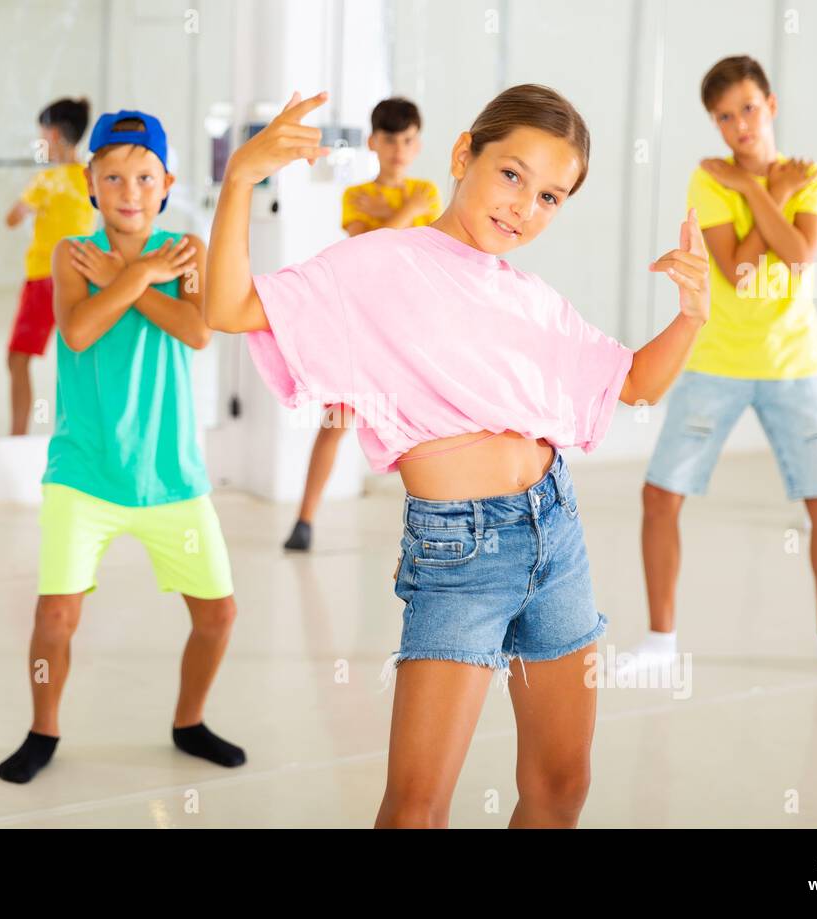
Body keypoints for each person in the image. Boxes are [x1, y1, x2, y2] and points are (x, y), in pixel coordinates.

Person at [204, 84, 710, 827]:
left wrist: (693, 315)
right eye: (511, 174)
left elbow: (635, 381)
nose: (523, 207)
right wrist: (242, 178)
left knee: (562, 785)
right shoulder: (377, 264)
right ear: (462, 154)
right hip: (459, 551)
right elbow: (228, 308)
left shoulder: (535, 298)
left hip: (556, 533)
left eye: (549, 197)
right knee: (416, 808)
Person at [622, 55, 817, 681]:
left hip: (794, 363)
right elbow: (741, 276)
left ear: (770, 104)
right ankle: (660, 641)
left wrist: (754, 189)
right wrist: (770, 194)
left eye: (748, 108)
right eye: (724, 116)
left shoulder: (812, 176)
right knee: (660, 496)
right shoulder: (706, 180)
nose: (739, 125)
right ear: (715, 124)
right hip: (715, 361)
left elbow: (798, 258)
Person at [0, 111, 245, 784]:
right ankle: (42, 728)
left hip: (173, 476)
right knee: (55, 615)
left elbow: (196, 331)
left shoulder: (185, 250)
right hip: (84, 470)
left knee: (219, 614)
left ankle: (188, 720)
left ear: (166, 182)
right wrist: (135, 278)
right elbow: (77, 332)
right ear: (91, 183)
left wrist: (126, 279)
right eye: (114, 178)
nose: (129, 191)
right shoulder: (72, 252)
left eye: (143, 177)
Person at [282, 97, 442, 550]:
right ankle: (305, 519)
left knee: (424, 426)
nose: (398, 149)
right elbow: (368, 248)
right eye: (390, 139)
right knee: (335, 420)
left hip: (413, 328)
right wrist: (405, 213)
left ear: (418, 143)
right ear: (373, 142)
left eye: (407, 140)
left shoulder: (428, 192)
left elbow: (427, 253)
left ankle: (434, 528)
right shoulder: (358, 196)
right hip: (359, 327)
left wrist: (402, 216)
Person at [4, 97, 97, 435]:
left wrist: (27, 210)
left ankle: (17, 434)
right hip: (85, 278)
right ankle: (76, 429)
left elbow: (12, 218)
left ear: (54, 135)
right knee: (76, 360)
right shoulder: (91, 178)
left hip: (45, 279)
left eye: (41, 135)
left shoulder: (46, 181)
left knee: (17, 359)